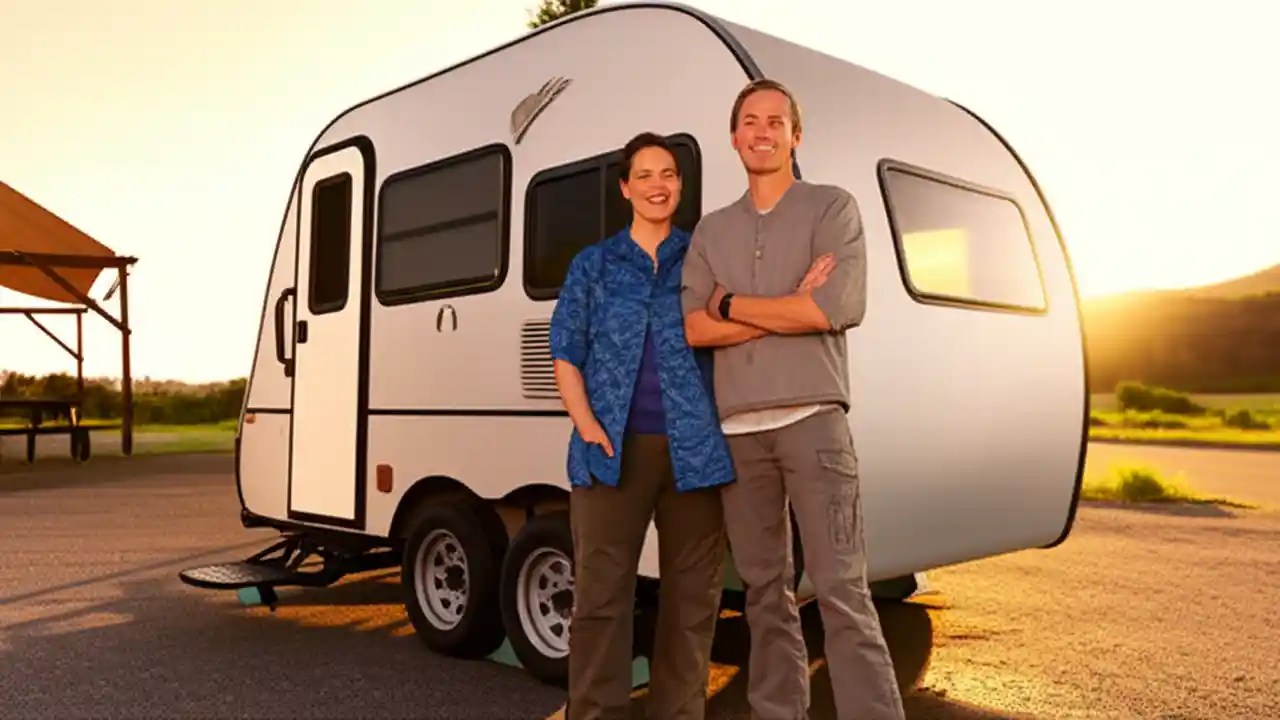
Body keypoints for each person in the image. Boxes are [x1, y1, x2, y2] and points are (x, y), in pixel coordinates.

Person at [680, 78, 907, 720]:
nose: (762, 131)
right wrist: (784, 310)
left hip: (814, 424)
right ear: (733, 137)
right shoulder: (711, 231)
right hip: (739, 432)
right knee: (763, 591)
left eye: (775, 121)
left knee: (840, 589)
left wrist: (731, 303)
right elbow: (694, 325)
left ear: (795, 136)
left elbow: (837, 306)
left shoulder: (832, 209)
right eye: (749, 121)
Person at [549, 131, 736, 720]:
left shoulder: (702, 257)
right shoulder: (594, 265)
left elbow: (736, 319)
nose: (659, 185)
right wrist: (586, 424)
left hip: (696, 453)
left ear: (679, 187)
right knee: (602, 601)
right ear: (627, 188)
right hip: (610, 450)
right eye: (647, 176)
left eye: (670, 174)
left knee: (692, 601)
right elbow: (566, 351)